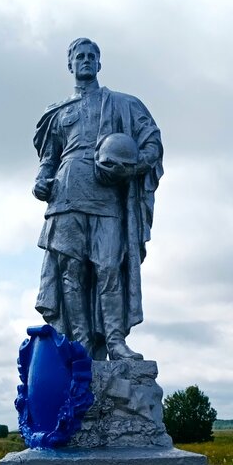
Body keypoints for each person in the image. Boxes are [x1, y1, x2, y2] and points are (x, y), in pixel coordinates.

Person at [33, 38, 163, 360]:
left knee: (109, 267)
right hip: (66, 196)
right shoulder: (58, 113)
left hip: (106, 198)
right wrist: (41, 180)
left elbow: (152, 142)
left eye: (92, 56)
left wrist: (131, 168)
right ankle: (81, 345)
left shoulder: (123, 104)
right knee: (70, 273)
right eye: (80, 56)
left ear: (99, 64)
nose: (86, 60)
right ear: (71, 65)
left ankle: (115, 341)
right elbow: (49, 159)